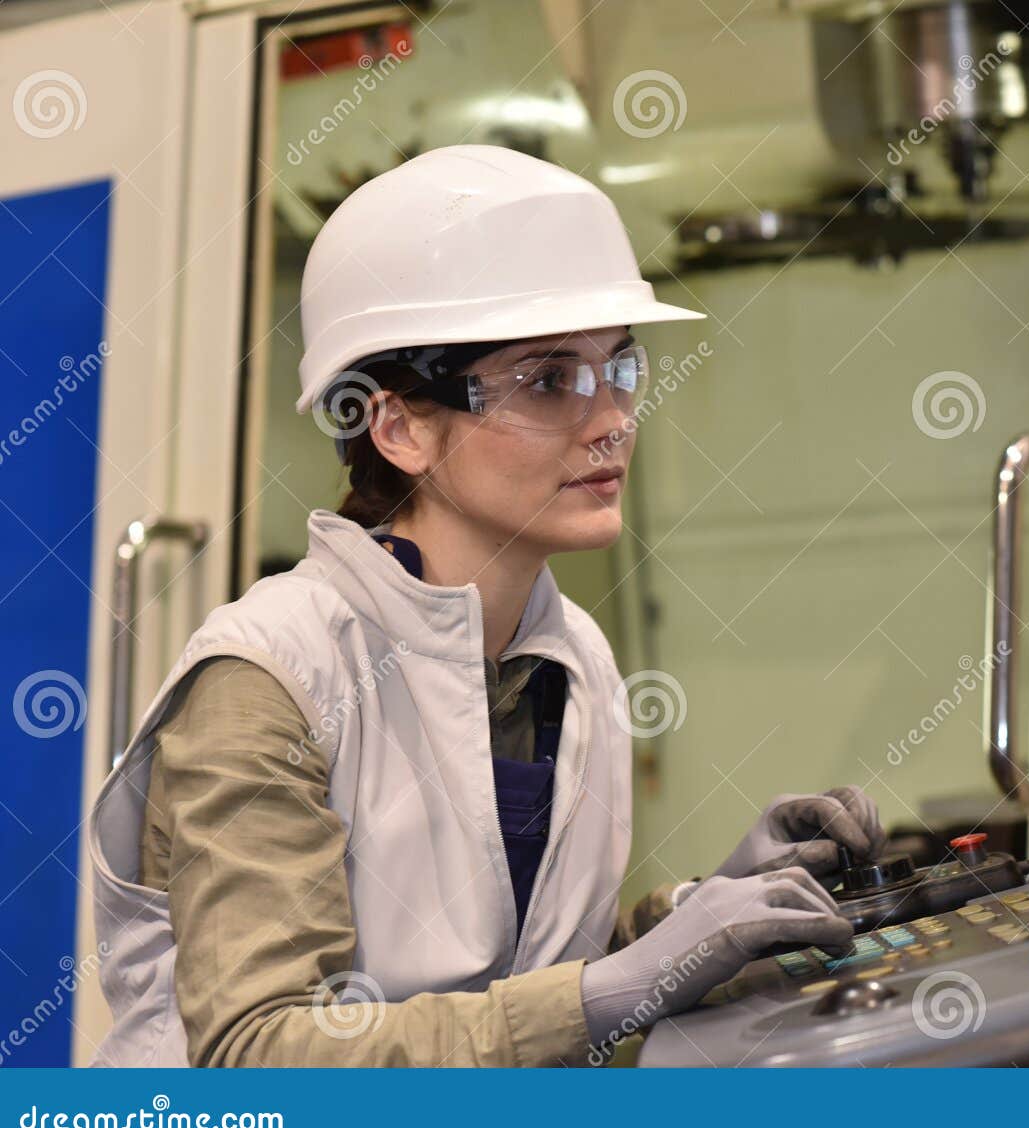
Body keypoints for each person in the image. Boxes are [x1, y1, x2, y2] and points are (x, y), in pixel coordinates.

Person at [88, 146, 886, 1067]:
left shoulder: (572, 657)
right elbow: (263, 1057)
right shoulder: (271, 679)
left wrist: (703, 911)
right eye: (549, 381)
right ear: (400, 427)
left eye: (618, 370)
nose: (611, 422)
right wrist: (622, 986)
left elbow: (508, 986)